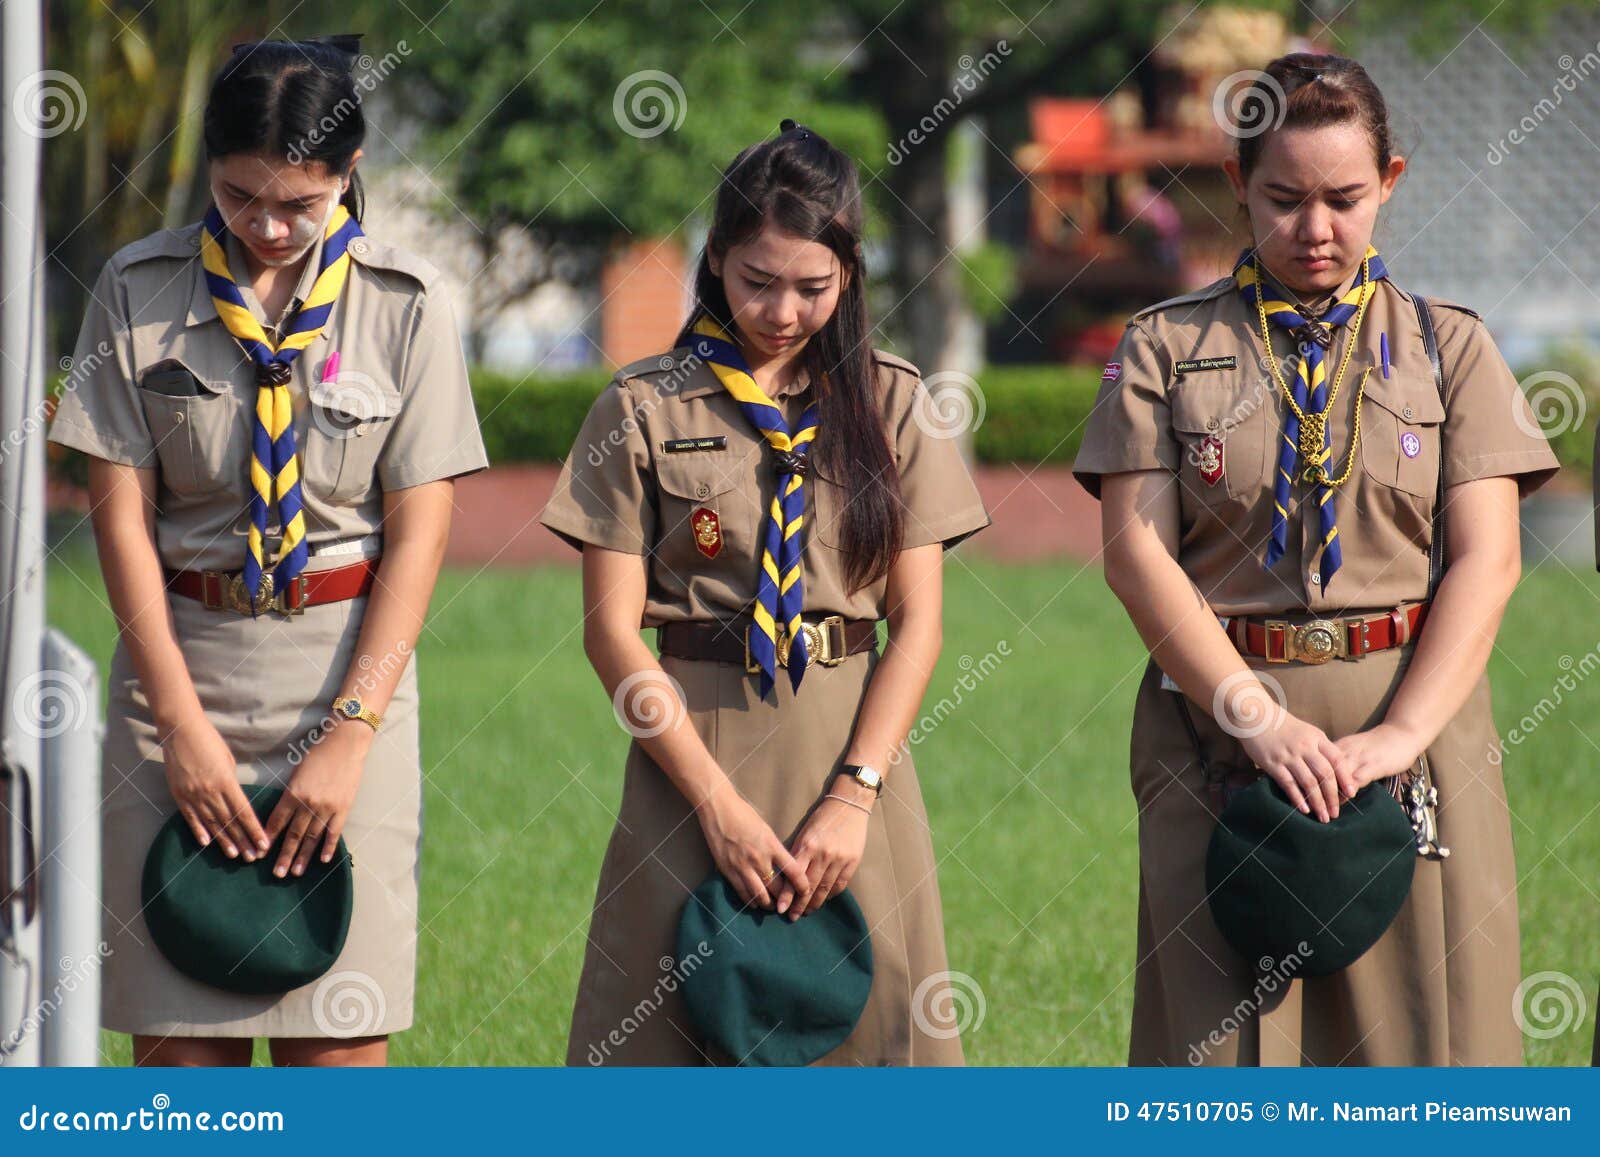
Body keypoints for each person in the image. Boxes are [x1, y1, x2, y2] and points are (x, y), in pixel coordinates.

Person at [1072, 53, 1560, 1065]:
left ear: (1391, 180)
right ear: (1239, 185)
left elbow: (1487, 559)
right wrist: (1253, 716)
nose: (1315, 229)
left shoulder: (1448, 348)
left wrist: (1399, 736)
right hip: (1218, 739)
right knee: (1214, 1054)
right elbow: (1135, 554)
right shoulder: (1164, 347)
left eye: (1344, 198)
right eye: (1283, 198)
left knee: (1431, 1041)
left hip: (1409, 738)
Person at [46, 37, 487, 1066]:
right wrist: (179, 725)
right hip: (177, 678)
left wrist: (350, 732)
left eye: (302, 200)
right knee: (182, 1048)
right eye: (244, 197)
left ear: (350, 172)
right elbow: (119, 519)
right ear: (210, 166)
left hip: (348, 684)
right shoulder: (137, 288)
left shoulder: (405, 305)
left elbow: (420, 534)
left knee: (337, 1047)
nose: (271, 226)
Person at [539, 119, 990, 1065]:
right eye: (756, 280)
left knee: (869, 1040)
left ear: (851, 274)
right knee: (672, 1037)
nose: (781, 311)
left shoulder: (895, 402)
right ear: (715, 261)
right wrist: (715, 806)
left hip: (852, 755)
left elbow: (918, 624)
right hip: (690, 755)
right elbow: (610, 634)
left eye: (812, 287)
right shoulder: (644, 405)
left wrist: (855, 794)